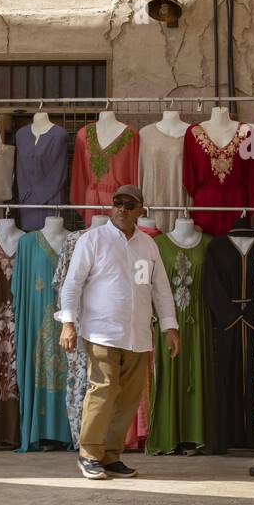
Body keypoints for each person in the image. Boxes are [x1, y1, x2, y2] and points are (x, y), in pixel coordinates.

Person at [59, 184, 180, 480]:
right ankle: (89, 454)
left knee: (128, 398)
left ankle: (111, 456)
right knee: (102, 390)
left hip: (138, 334)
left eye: (129, 204)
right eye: (118, 203)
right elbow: (72, 283)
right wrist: (67, 322)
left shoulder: (148, 246)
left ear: (141, 210)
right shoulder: (93, 240)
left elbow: (161, 290)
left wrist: (170, 327)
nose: (122, 209)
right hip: (102, 332)